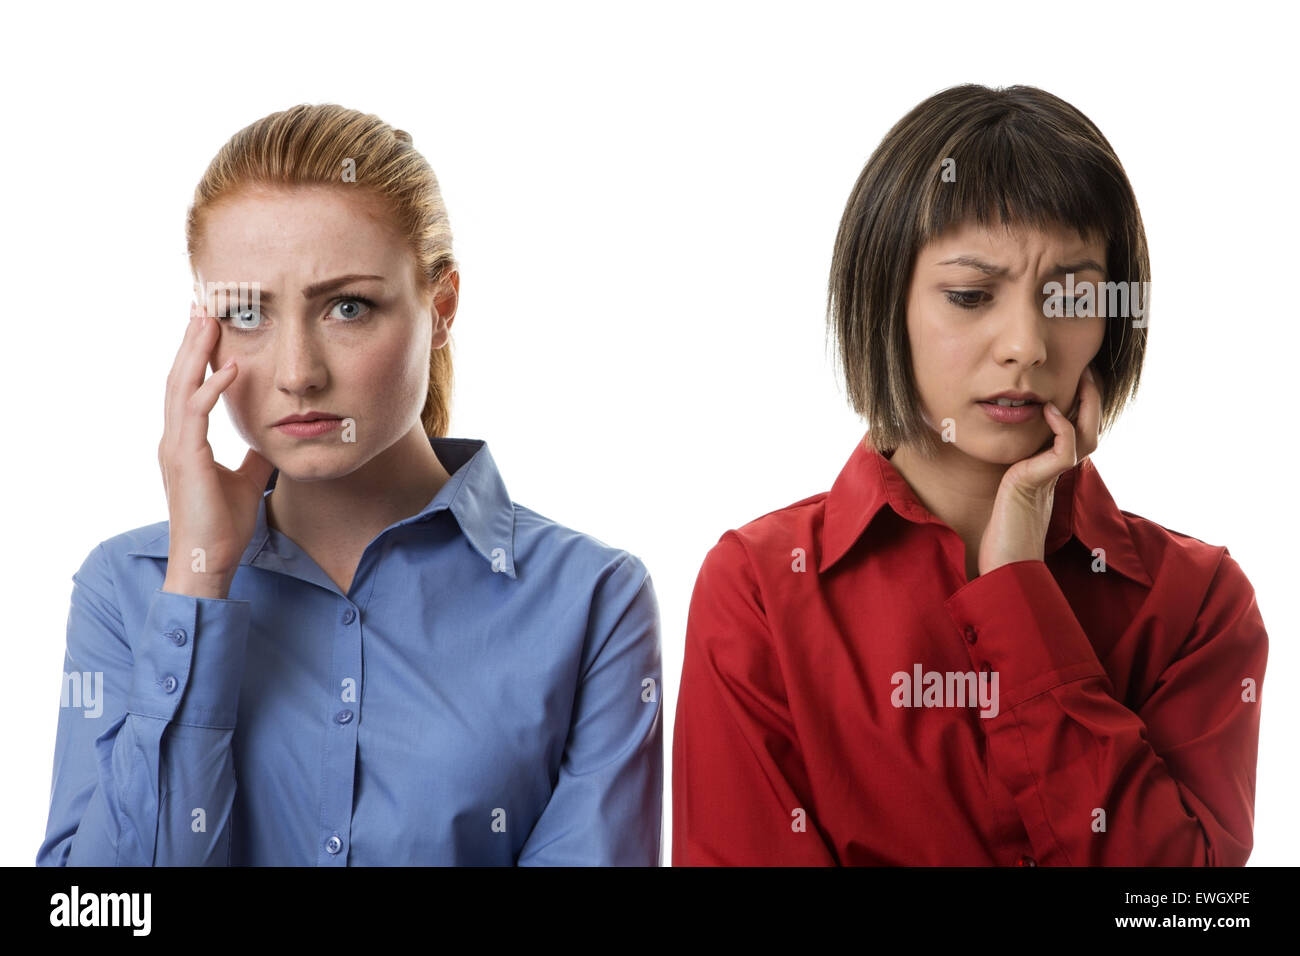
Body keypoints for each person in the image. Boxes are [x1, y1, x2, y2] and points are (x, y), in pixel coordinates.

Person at [37, 104, 663, 866]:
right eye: (247, 312)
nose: (299, 372)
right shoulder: (127, 589)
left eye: (347, 307)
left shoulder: (591, 600)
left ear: (441, 308)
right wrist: (197, 586)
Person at [672, 84, 1268, 866]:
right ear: (886, 306)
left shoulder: (1196, 603)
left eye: (1072, 296)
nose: (1025, 343)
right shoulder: (760, 589)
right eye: (970, 295)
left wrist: (1020, 589)